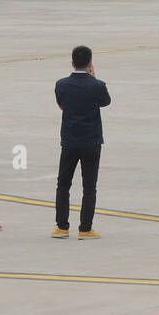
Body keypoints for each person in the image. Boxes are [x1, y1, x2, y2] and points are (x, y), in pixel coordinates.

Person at [53, 45, 111, 239]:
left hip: (69, 140)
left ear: (72, 63)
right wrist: (93, 78)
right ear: (90, 64)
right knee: (89, 186)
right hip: (91, 140)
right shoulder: (97, 85)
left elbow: (61, 105)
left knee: (63, 184)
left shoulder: (61, 84)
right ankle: (85, 228)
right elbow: (105, 102)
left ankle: (62, 227)